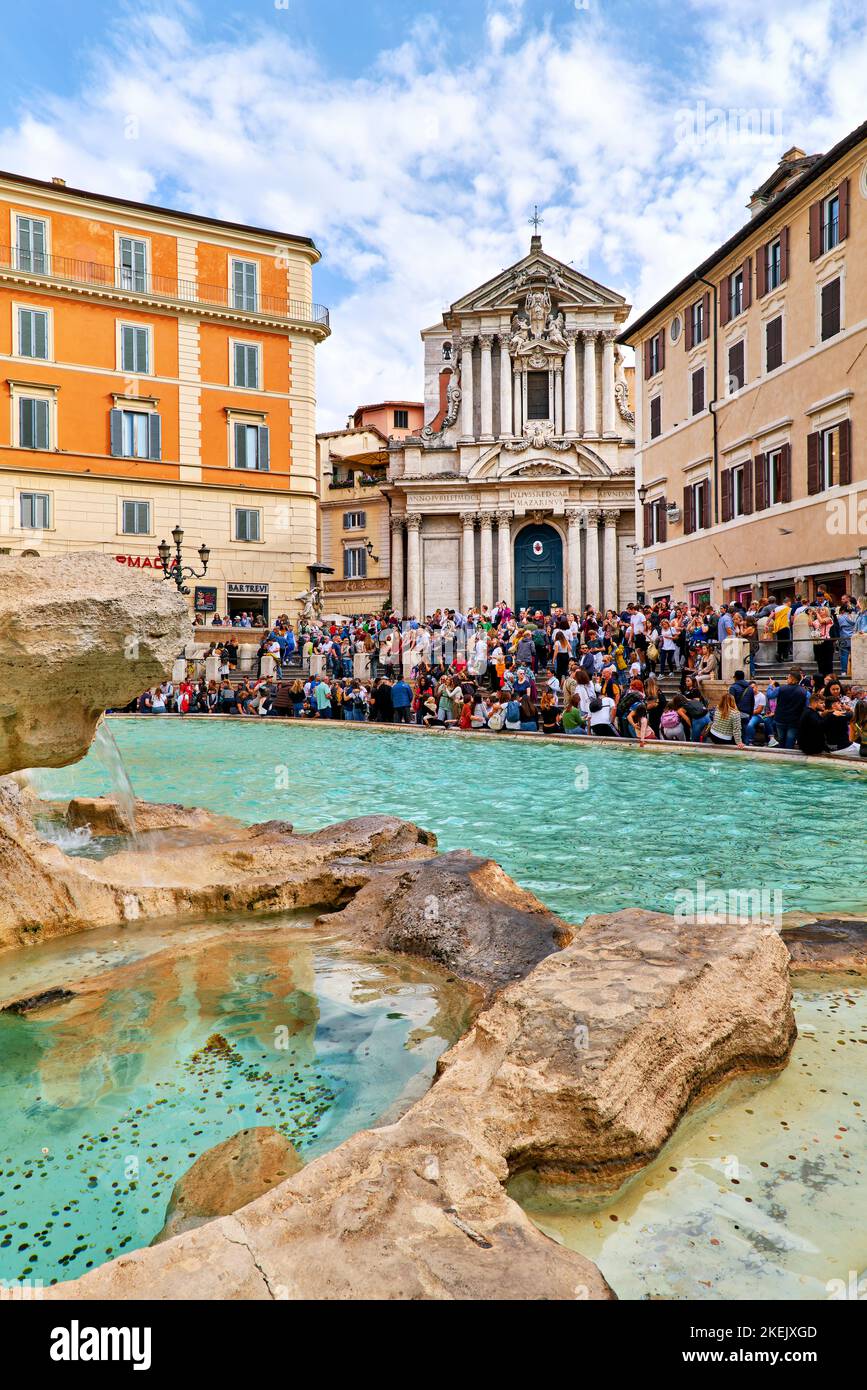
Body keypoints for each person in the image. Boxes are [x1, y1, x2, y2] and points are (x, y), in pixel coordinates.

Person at [771, 670, 808, 749]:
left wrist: (770, 686)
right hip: (794, 720)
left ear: (792, 679)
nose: (787, 679)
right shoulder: (805, 692)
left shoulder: (780, 689)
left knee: (781, 739)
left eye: (788, 677)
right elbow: (807, 706)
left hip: (780, 718)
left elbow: (770, 695)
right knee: (790, 740)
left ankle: (782, 754)